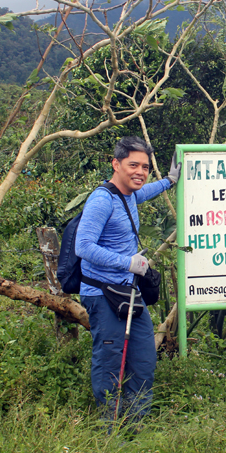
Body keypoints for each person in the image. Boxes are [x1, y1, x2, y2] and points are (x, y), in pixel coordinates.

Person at [75, 136, 180, 423]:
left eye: (145, 167)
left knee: (144, 358)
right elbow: (83, 246)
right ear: (116, 164)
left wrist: (170, 181)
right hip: (101, 293)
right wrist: (128, 262)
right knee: (110, 362)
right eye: (133, 165)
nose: (140, 172)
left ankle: (134, 424)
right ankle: (110, 429)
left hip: (127, 291)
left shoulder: (129, 195)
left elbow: (145, 191)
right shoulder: (102, 200)